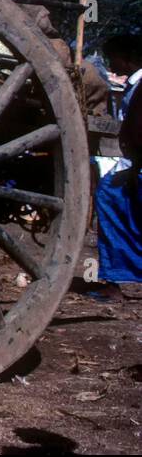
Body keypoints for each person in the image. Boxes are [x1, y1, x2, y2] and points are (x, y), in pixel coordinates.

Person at [91, 33, 142, 298]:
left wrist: (135, 166)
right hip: (134, 163)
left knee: (108, 196)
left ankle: (114, 281)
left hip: (137, 165)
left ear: (129, 59)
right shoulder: (135, 85)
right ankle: (117, 277)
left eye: (115, 59)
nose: (112, 66)